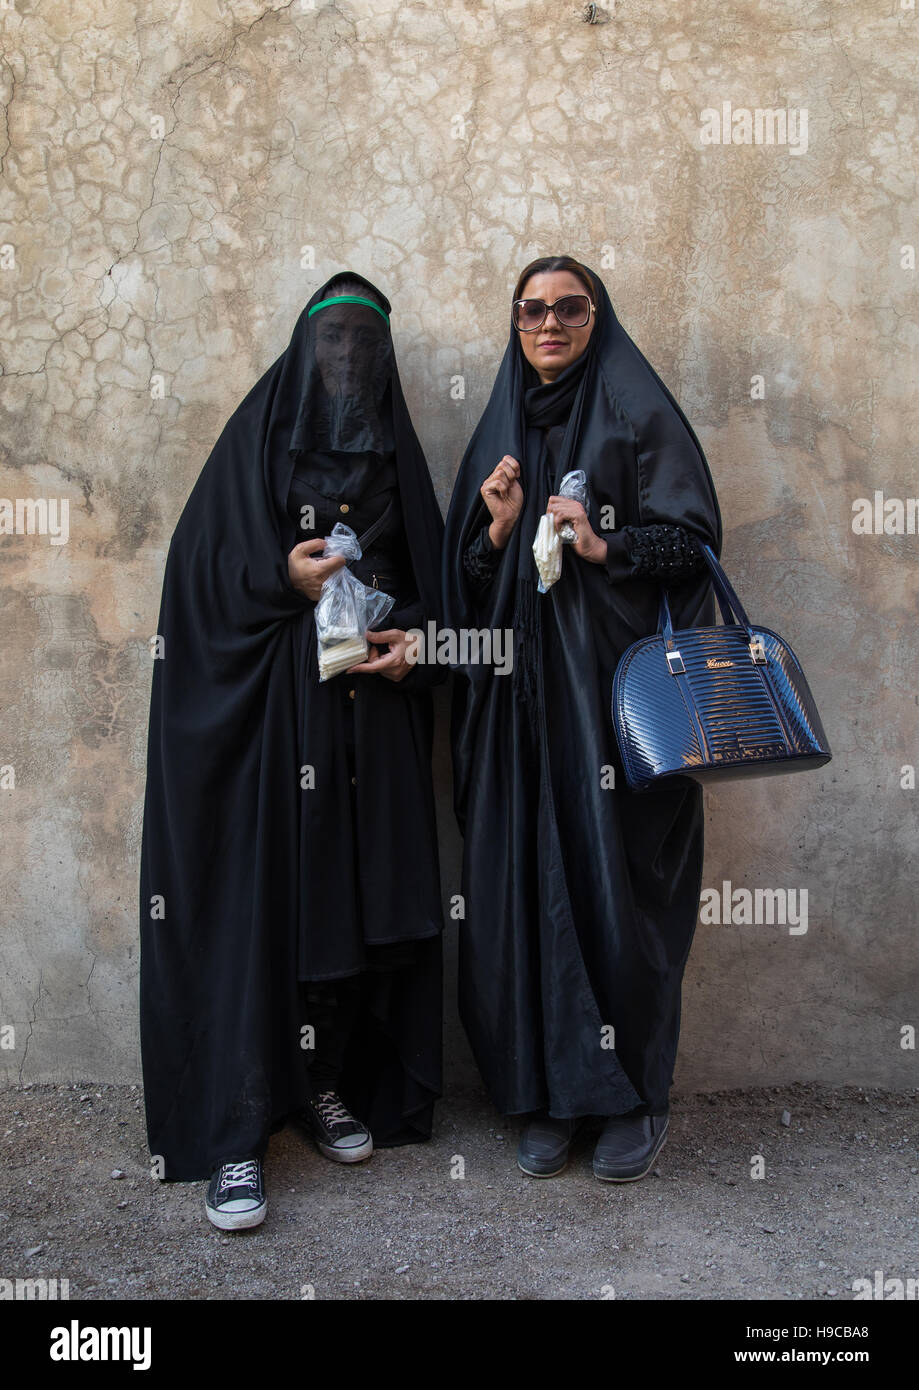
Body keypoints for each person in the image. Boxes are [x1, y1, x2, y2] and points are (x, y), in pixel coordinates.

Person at [140, 272, 445, 1229]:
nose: (349, 361)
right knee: (255, 917)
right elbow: (197, 578)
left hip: (368, 728)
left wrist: (414, 647)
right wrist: (282, 578)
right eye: (333, 341)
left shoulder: (399, 459)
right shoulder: (256, 447)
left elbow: (443, 605)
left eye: (367, 343)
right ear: (303, 351)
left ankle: (321, 1084)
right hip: (272, 727)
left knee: (347, 911)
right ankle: (236, 1131)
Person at [443, 256, 722, 1182]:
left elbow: (693, 542)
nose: (549, 324)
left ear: (597, 317)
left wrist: (602, 545)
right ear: (514, 323)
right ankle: (543, 1097)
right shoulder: (500, 425)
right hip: (518, 721)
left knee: (617, 893)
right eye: (531, 311)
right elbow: (463, 587)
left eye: (569, 308)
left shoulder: (636, 410)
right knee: (521, 893)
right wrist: (496, 530)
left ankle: (634, 1097)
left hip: (618, 716)